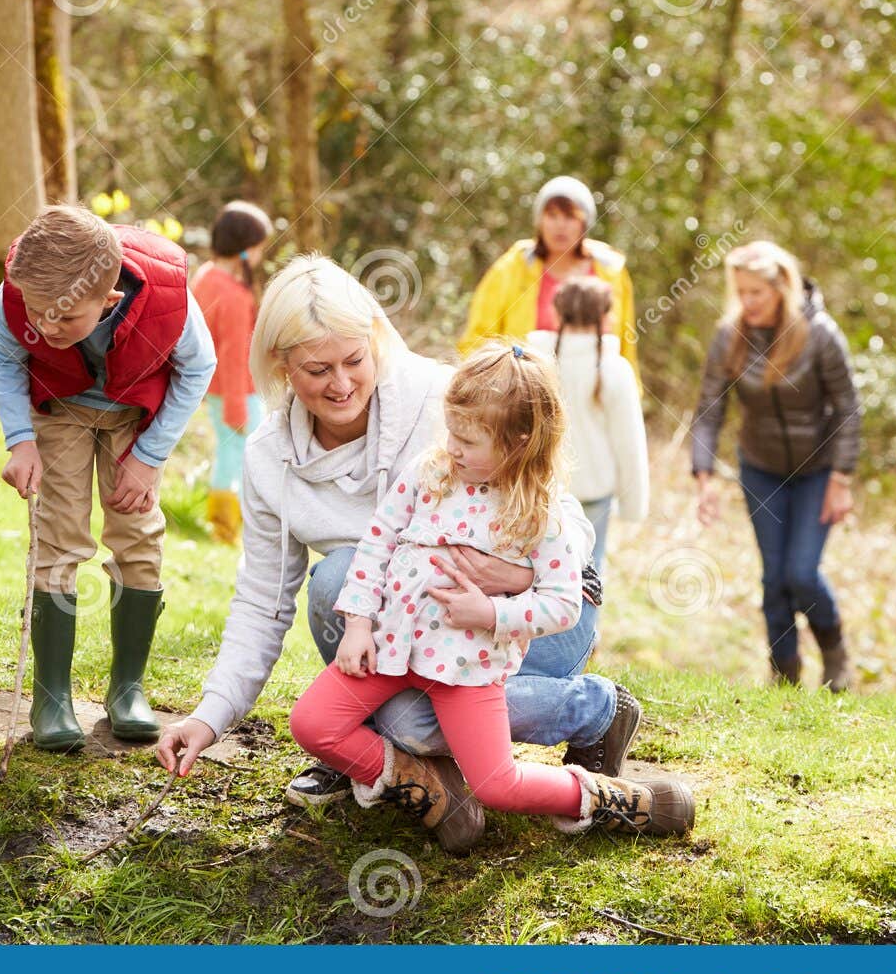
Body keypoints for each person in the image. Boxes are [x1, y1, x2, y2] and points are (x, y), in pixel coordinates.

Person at [156, 255, 644, 804]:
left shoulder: (447, 399)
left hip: (528, 622)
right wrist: (210, 716)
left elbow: (563, 511)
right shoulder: (271, 459)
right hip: (413, 635)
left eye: (353, 360)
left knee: (416, 723)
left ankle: (591, 709)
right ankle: (399, 758)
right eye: (318, 370)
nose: (341, 384)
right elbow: (262, 602)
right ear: (280, 365)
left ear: (375, 340)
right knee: (340, 581)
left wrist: (513, 573)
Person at [290, 342, 693, 851]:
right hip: (392, 649)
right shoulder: (429, 474)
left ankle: (617, 800)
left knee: (496, 784)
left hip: (468, 666)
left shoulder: (537, 515)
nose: (452, 448)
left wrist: (491, 612)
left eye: (468, 439)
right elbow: (377, 544)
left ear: (517, 442)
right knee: (312, 723)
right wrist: (358, 624)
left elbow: (563, 603)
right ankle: (423, 784)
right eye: (451, 431)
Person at [0, 205, 216, 750]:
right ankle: (51, 697)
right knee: (59, 535)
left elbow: (198, 370)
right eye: (39, 312)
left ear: (110, 300)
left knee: (138, 536)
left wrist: (150, 457)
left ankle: (127, 689)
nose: (45, 325)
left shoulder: (171, 305)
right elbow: (5, 357)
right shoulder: (20, 291)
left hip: (133, 418)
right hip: (60, 409)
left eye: (64, 318)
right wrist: (20, 441)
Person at [692, 241, 861, 689]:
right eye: (741, 292)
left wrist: (842, 478)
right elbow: (710, 408)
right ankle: (784, 675)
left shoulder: (819, 334)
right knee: (773, 580)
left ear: (782, 289)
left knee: (800, 574)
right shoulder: (730, 337)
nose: (748, 302)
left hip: (818, 470)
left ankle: (834, 650)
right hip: (762, 469)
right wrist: (703, 475)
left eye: (757, 294)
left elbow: (848, 406)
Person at [459, 176, 640, 392]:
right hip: (522, 394)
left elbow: (626, 345)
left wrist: (630, 393)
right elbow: (479, 335)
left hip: (594, 395)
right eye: (552, 215)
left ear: (585, 223)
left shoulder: (611, 270)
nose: (560, 225)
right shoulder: (513, 266)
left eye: (570, 216)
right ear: (540, 220)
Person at [528, 276, 648, 572]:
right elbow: (629, 443)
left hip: (539, 487)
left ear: (556, 313)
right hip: (594, 493)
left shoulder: (533, 362)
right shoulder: (616, 369)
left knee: (537, 573)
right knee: (588, 577)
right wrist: (634, 505)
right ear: (606, 317)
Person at [190, 202, 271, 544]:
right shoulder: (234, 295)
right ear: (244, 247)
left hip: (216, 388)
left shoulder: (206, 275)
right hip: (238, 392)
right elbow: (234, 355)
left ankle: (224, 523)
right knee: (238, 457)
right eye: (258, 247)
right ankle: (226, 528)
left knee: (229, 453)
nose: (259, 255)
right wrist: (237, 407)